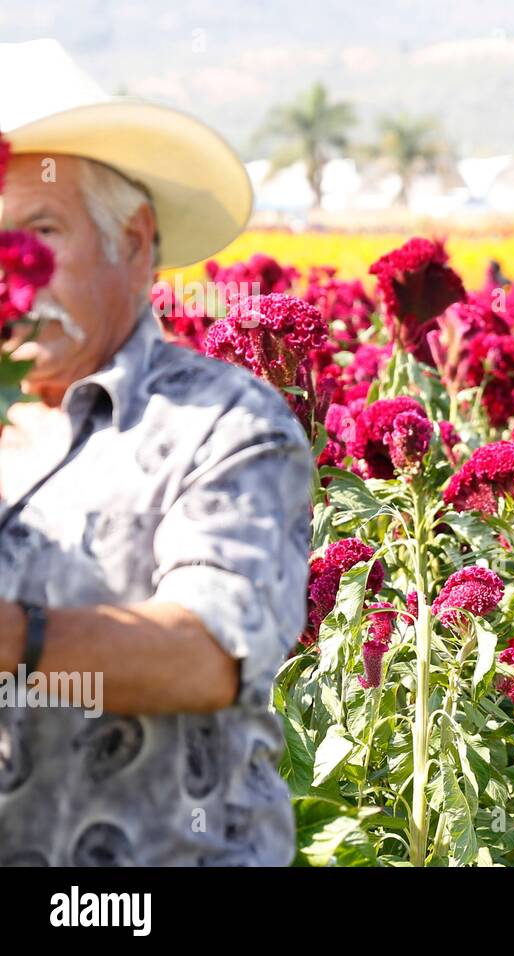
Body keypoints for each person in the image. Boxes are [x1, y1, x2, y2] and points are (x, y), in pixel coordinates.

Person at [0, 39, 313, 865]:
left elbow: (207, 655)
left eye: (38, 232)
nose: (11, 279)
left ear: (133, 243)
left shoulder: (228, 425)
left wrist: (15, 642)